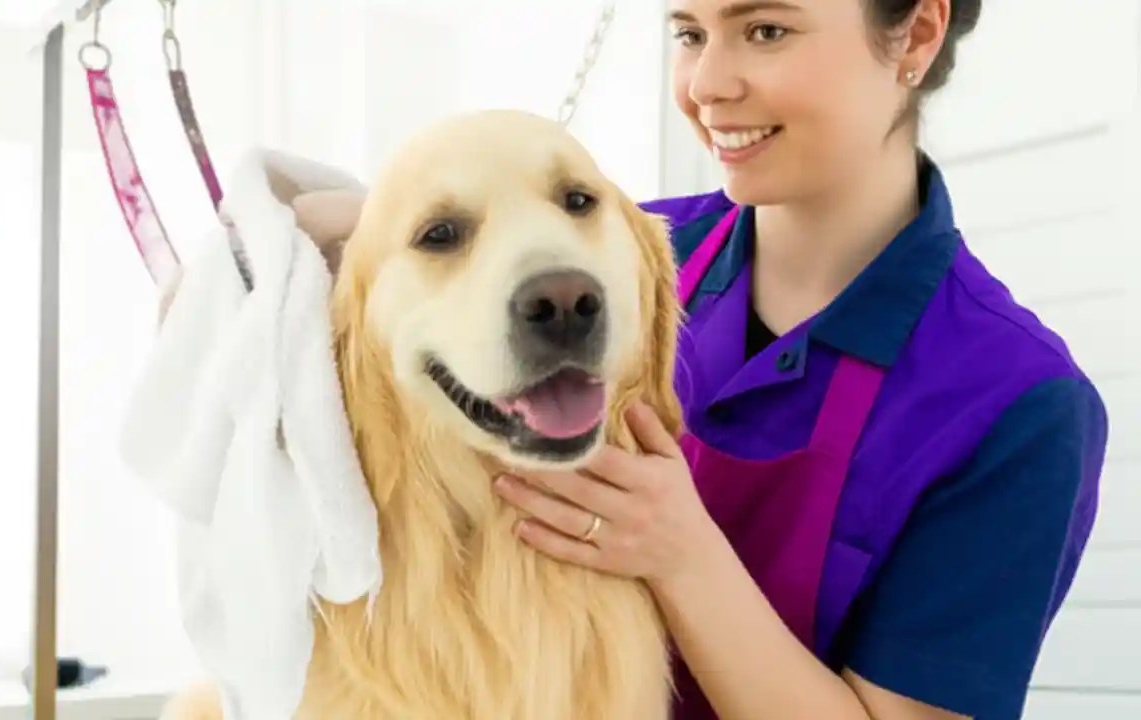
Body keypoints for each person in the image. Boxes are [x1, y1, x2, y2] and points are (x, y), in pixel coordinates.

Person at [289, 1, 1108, 718]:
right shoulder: (620, 251)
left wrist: (684, 554)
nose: (707, 84)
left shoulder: (1016, 403)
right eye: (689, 32)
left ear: (916, 37)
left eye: (765, 29)